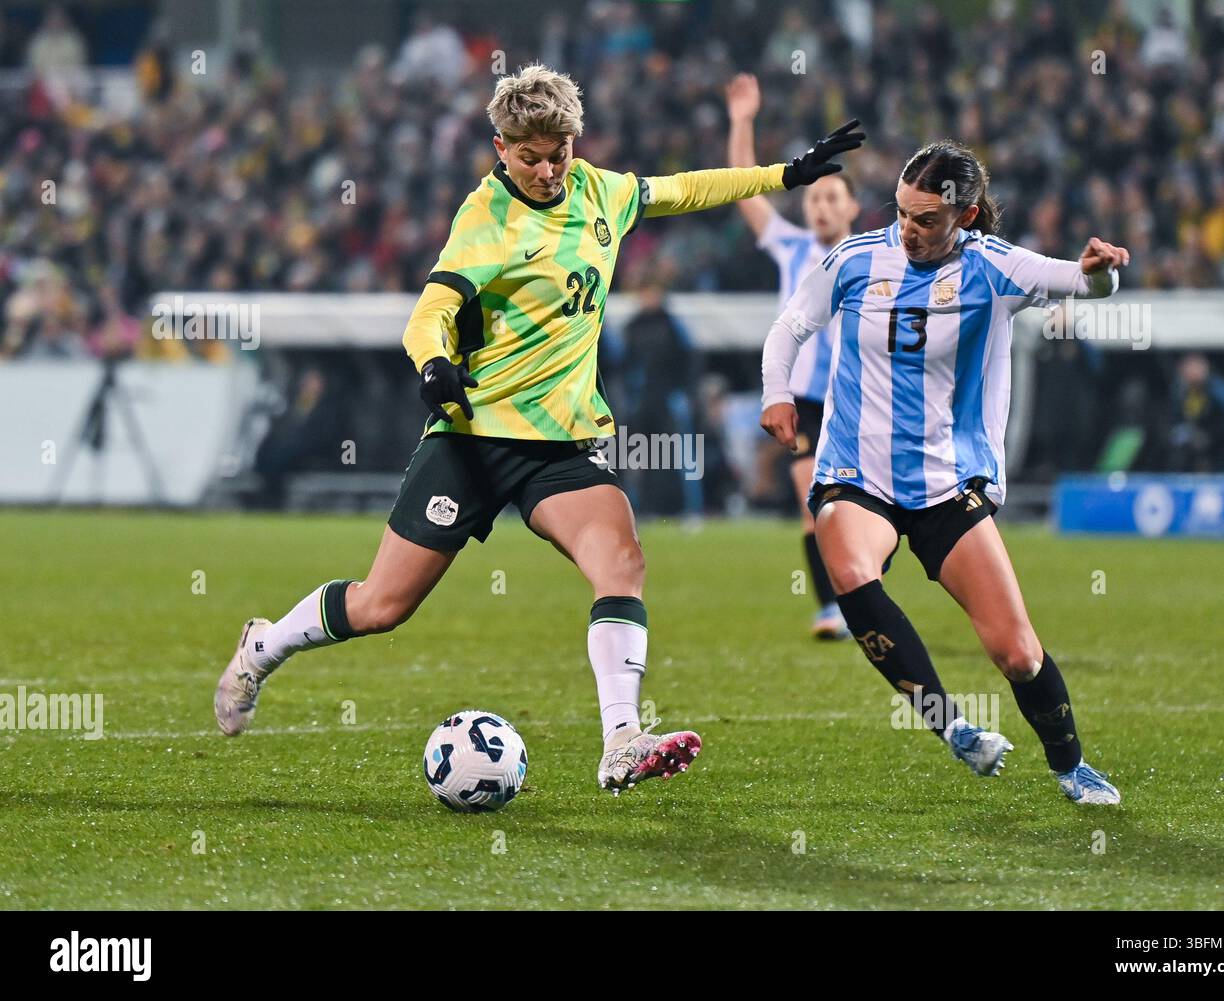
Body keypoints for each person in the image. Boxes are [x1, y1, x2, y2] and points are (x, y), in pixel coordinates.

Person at [215, 63, 863, 795]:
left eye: (561, 152)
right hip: (473, 438)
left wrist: (786, 172)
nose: (550, 169)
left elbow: (686, 188)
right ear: (500, 146)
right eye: (532, 156)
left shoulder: (599, 191)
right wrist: (433, 365)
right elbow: (427, 315)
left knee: (621, 562)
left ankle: (622, 739)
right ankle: (262, 645)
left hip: (559, 446)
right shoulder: (484, 218)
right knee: (381, 606)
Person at [760, 140, 1129, 805]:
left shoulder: (996, 268)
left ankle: (1071, 764)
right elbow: (790, 326)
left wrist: (1102, 272)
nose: (909, 229)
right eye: (902, 213)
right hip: (855, 469)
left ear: (967, 214)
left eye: (926, 219)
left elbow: (1084, 282)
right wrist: (776, 394)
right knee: (848, 570)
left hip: (947, 483)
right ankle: (951, 723)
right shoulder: (856, 258)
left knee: (1017, 654)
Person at [726, 72, 861, 639]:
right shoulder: (791, 248)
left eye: (832, 196)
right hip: (804, 399)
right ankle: (832, 608)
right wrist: (742, 121)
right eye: (814, 197)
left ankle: (861, 590)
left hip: (858, 398)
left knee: (862, 509)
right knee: (814, 502)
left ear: (853, 207)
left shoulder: (872, 256)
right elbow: (741, 188)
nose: (822, 206)